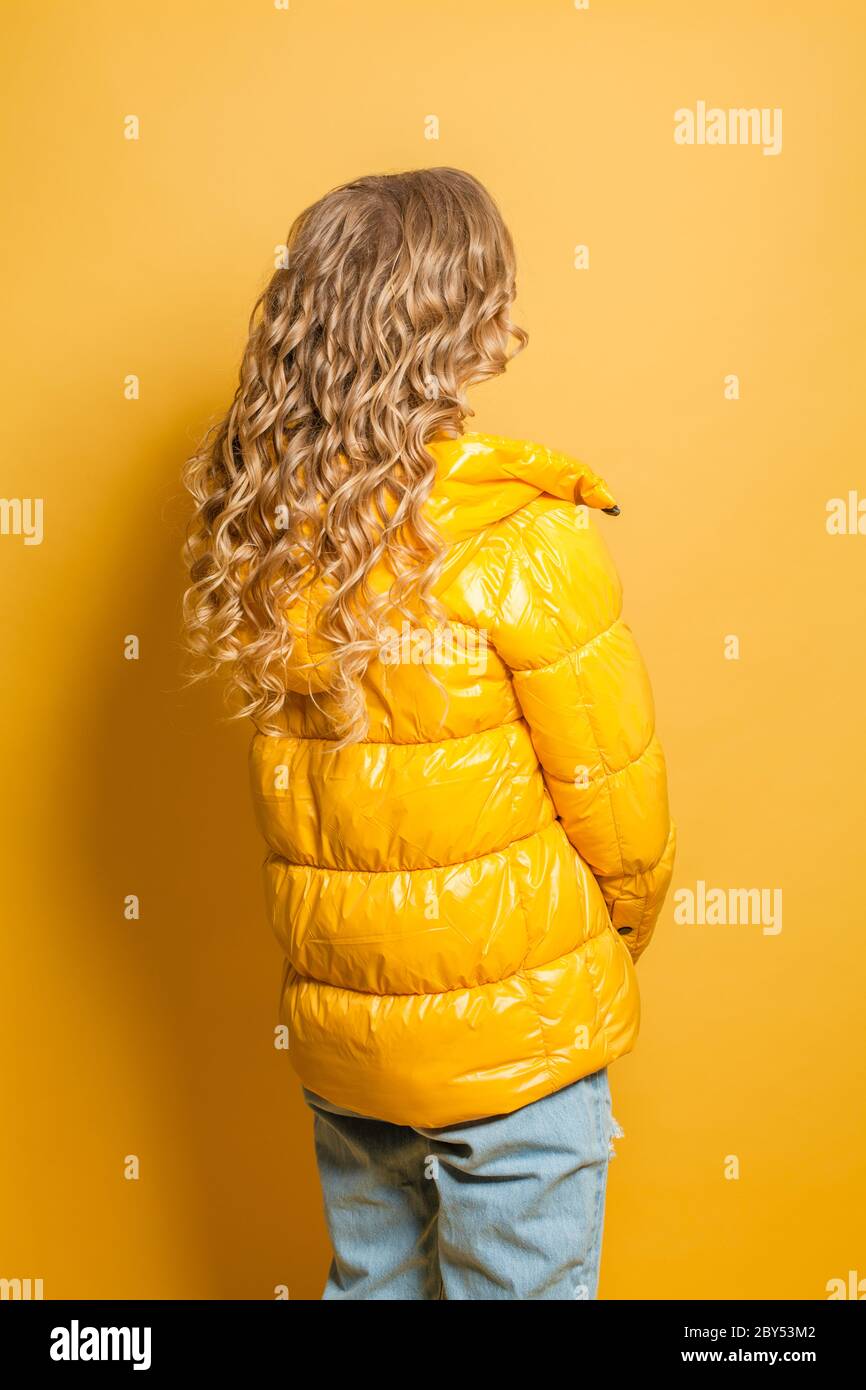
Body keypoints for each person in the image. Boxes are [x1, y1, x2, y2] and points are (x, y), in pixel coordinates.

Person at [183, 167, 676, 1300]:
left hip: (348, 1041)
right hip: (516, 1046)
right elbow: (620, 809)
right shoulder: (520, 537)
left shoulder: (263, 530)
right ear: (468, 328)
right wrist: (597, 944)